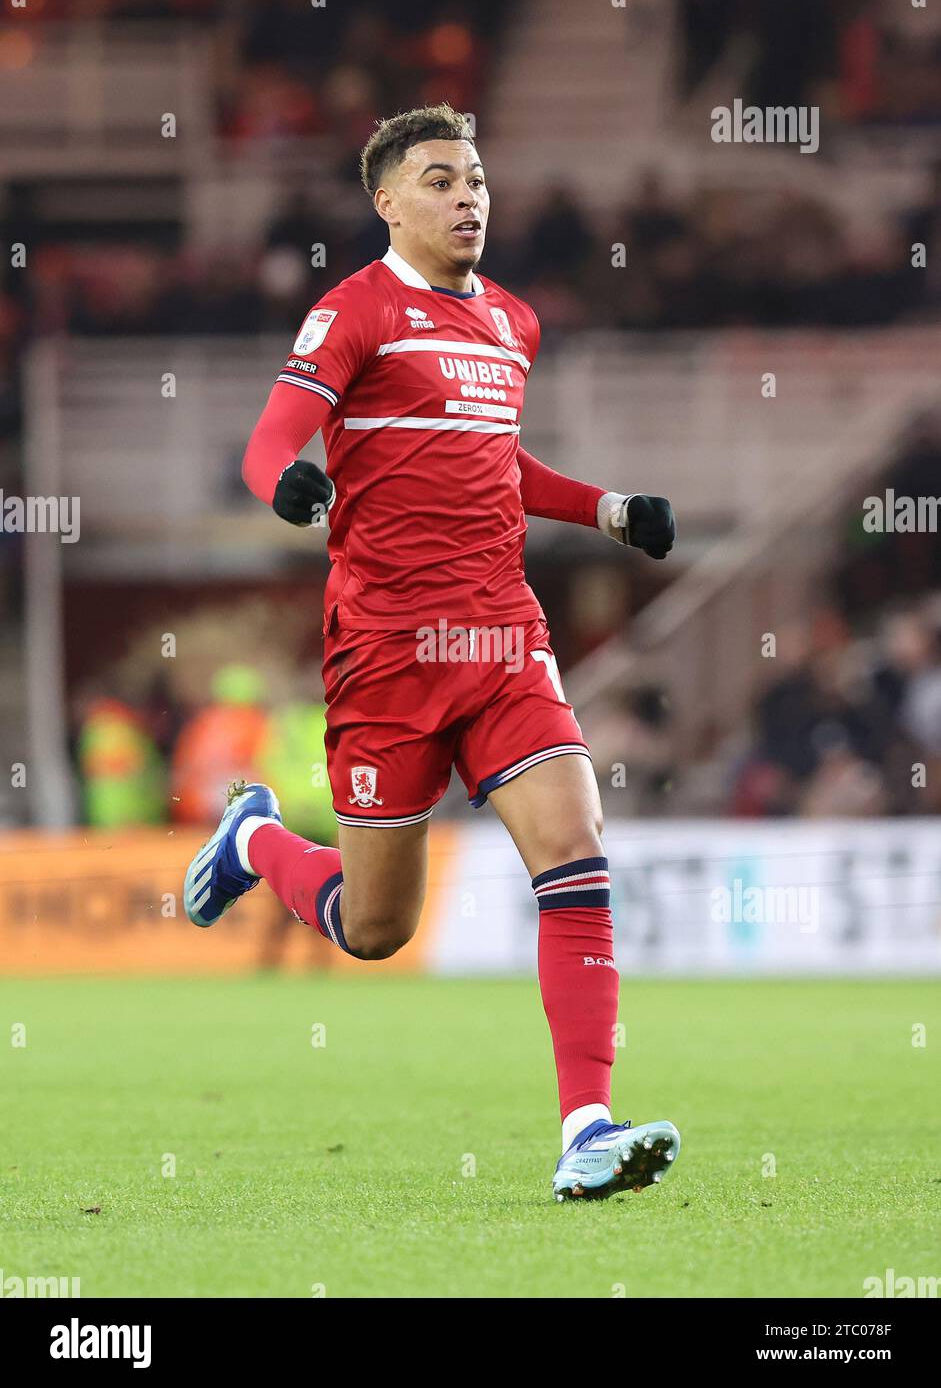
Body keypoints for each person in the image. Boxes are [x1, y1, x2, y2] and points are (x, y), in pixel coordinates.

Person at [183, 104, 680, 1202]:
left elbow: (498, 463)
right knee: (374, 927)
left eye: (477, 181)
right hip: (386, 653)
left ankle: (585, 1126)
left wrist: (602, 508)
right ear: (386, 202)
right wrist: (286, 482)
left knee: (572, 839)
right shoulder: (351, 312)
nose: (469, 199)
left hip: (501, 633)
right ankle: (258, 841)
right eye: (442, 181)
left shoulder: (512, 323)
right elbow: (269, 436)